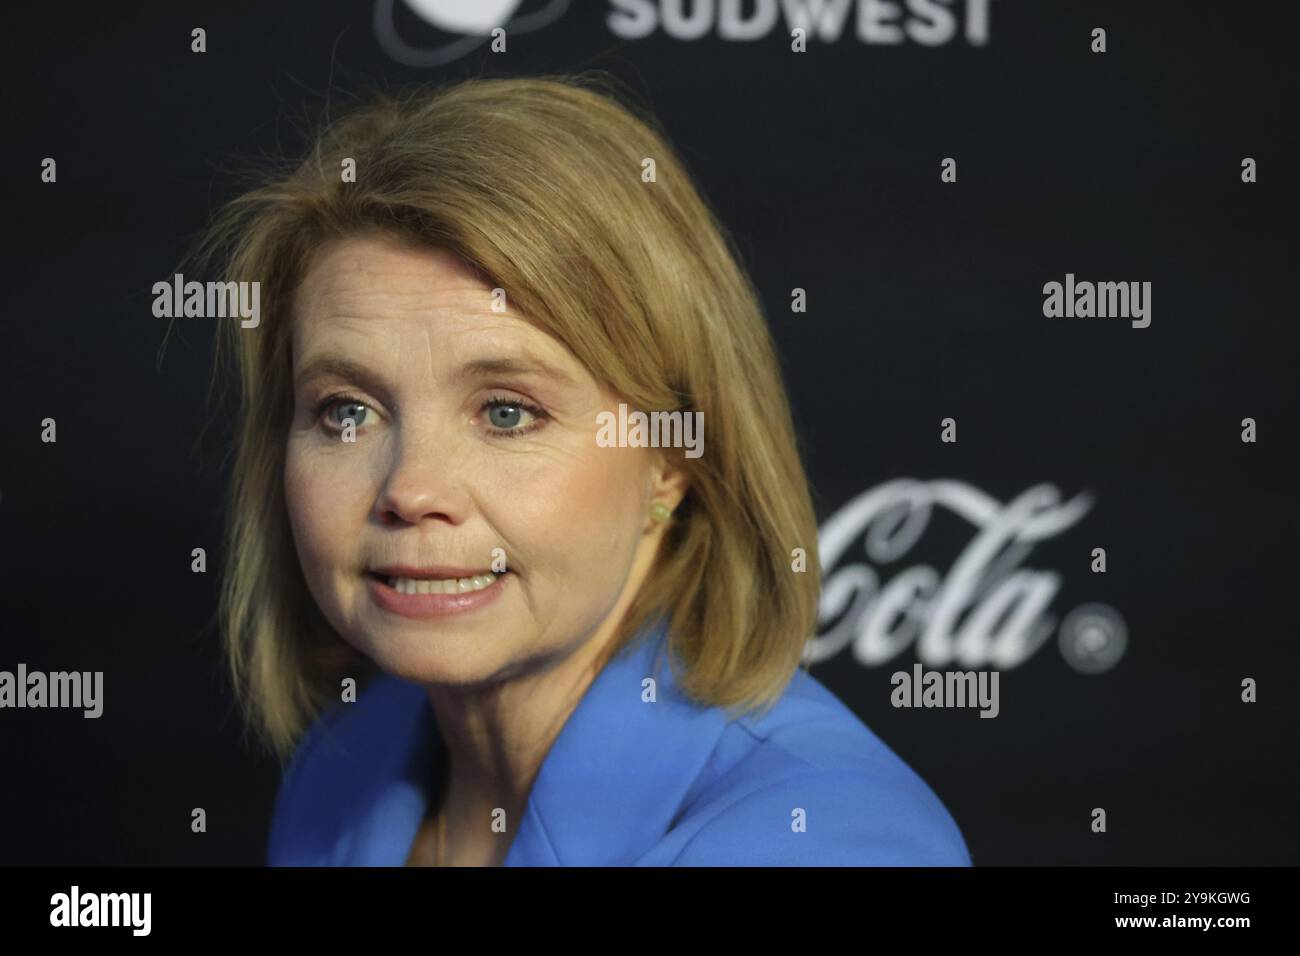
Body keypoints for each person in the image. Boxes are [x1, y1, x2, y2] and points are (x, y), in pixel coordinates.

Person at [195, 72, 971, 866]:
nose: (410, 490)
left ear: (671, 458)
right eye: (347, 412)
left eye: (507, 412)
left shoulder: (829, 840)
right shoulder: (343, 770)